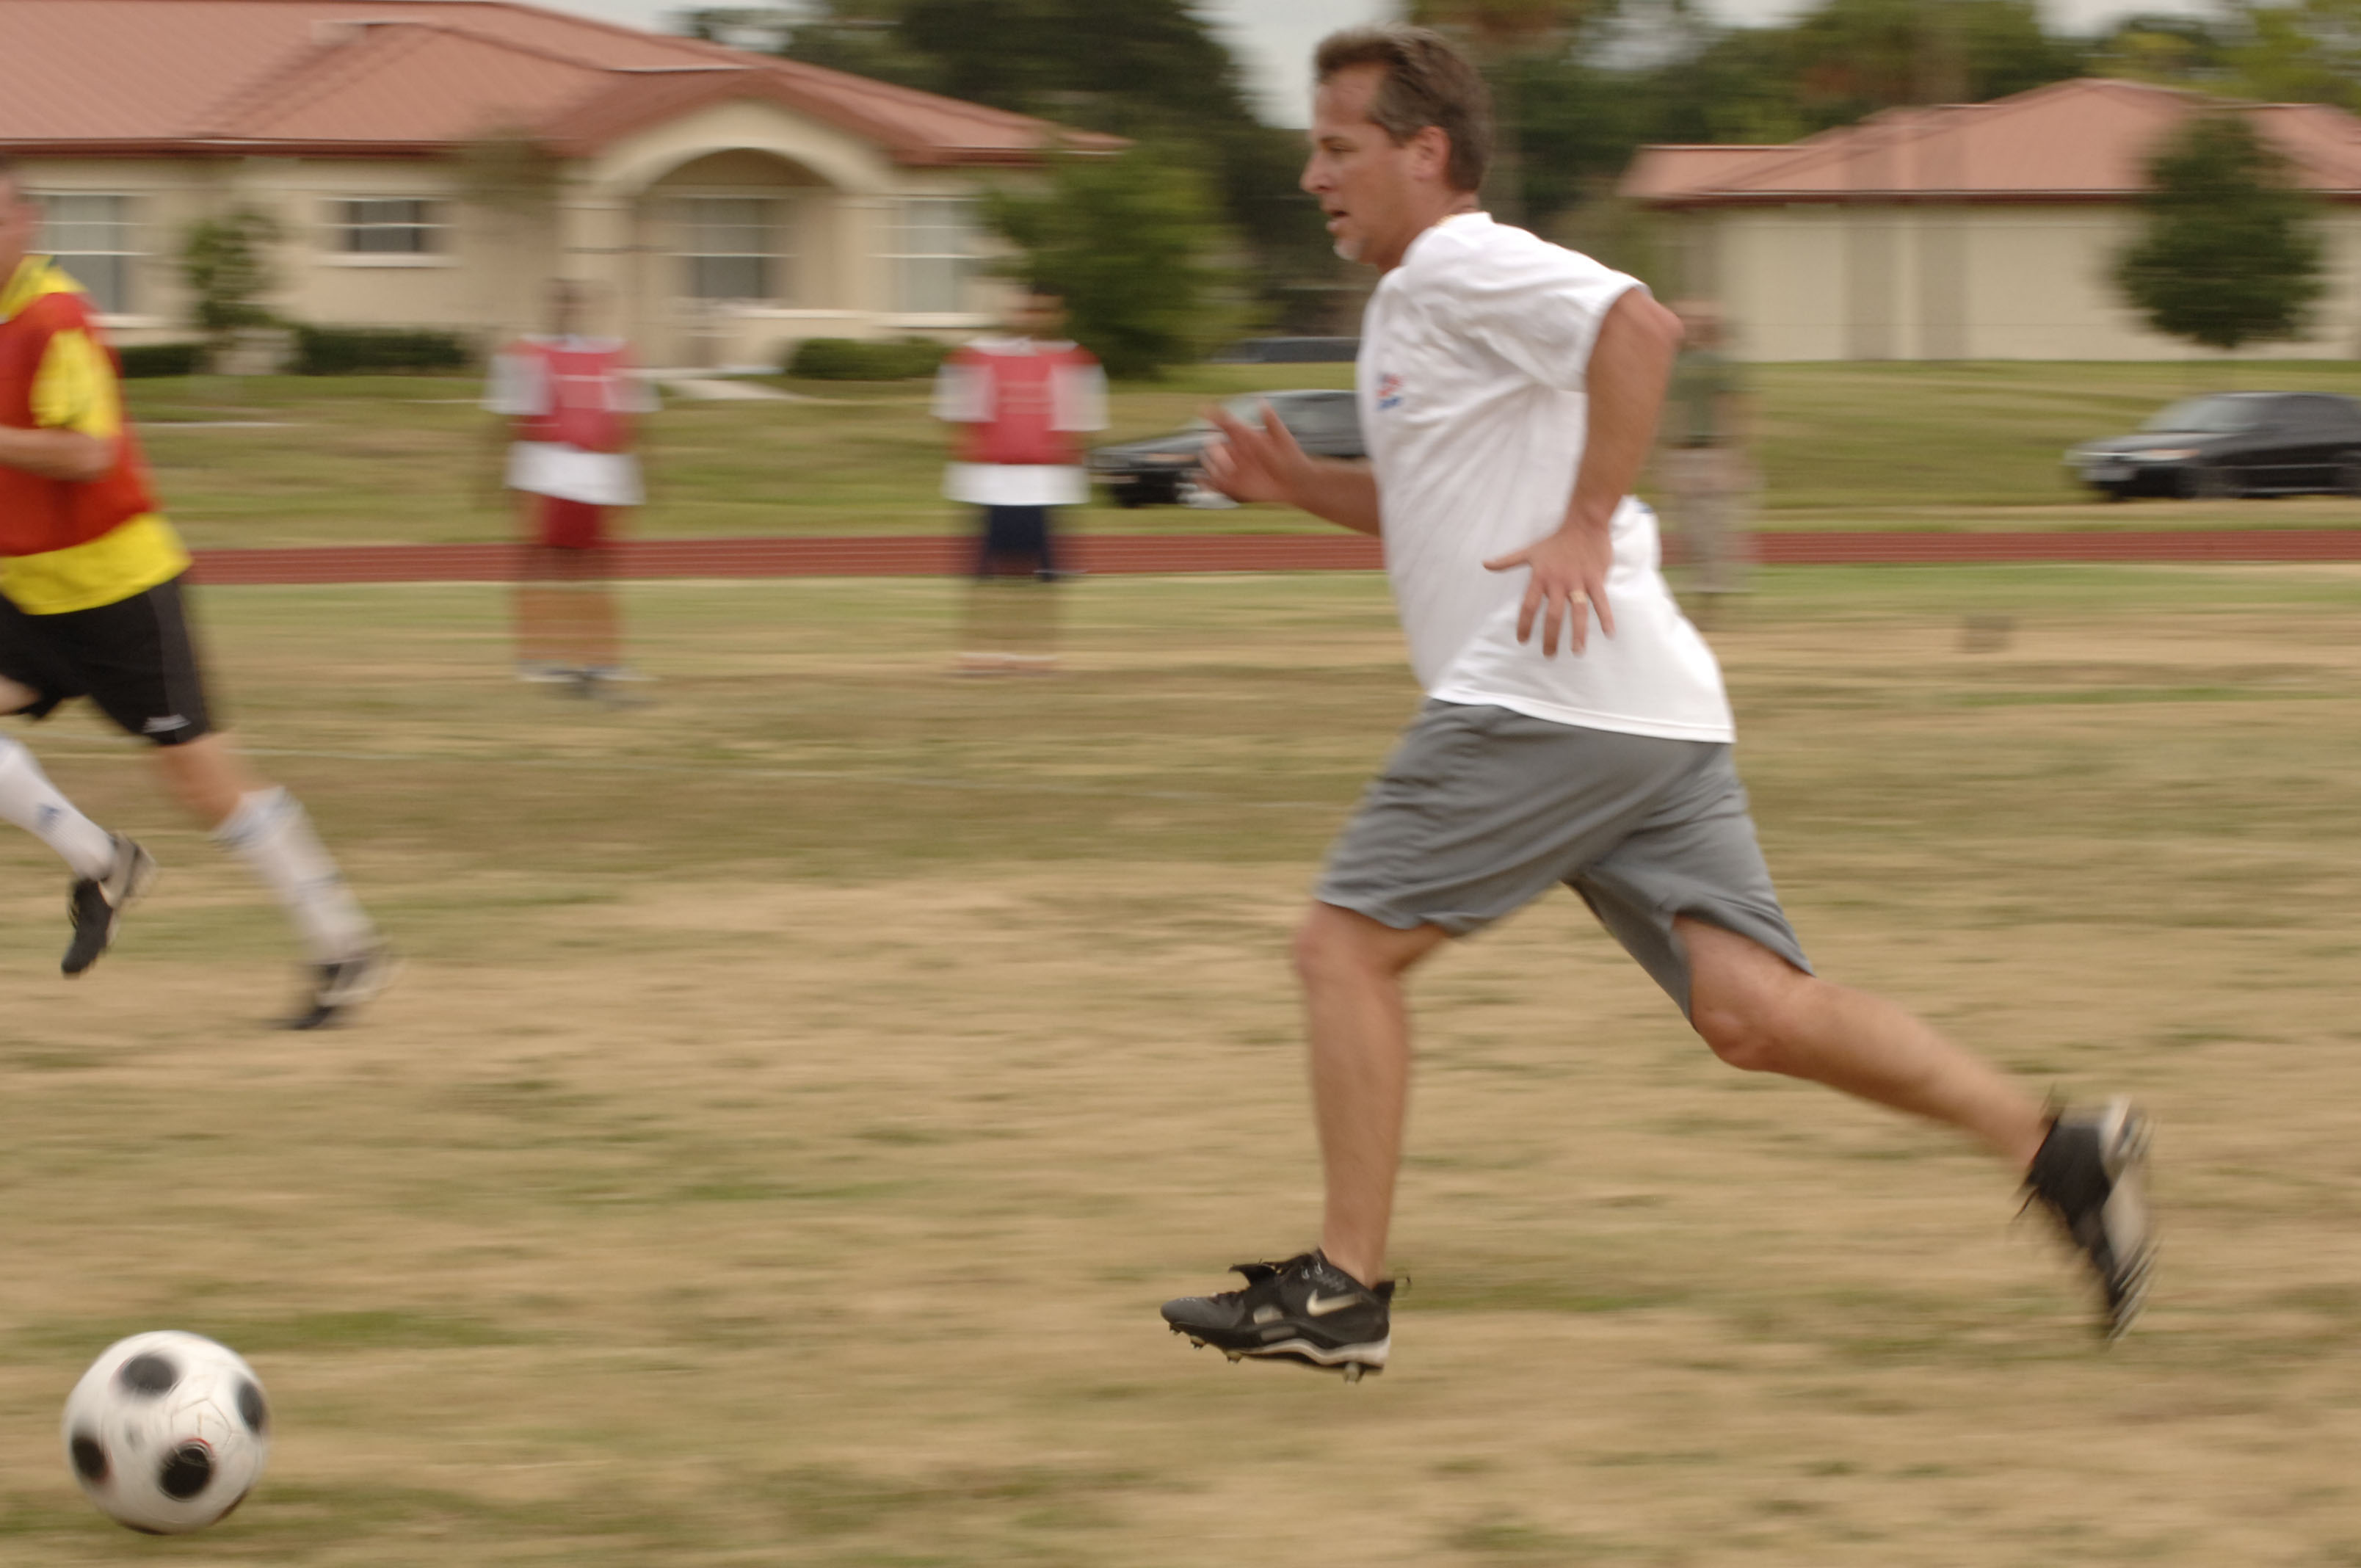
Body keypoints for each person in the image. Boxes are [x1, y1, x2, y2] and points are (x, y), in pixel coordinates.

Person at [1157, 25, 2153, 1381]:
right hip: (1640, 699)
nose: (1311, 174)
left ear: (1424, 152)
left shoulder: (1458, 256)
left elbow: (1640, 322)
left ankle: (1342, 1289)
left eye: (1338, 147)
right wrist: (1299, 491)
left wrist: (1582, 521)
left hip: (1544, 688)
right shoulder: (1412, 303)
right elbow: (1437, 505)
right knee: (1754, 1014)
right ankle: (2059, 1148)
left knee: (1341, 951)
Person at [0, 157, 393, 1027]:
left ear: (25, 223)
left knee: (206, 785)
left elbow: (88, 452)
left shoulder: (53, 319)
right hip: (24, 593)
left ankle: (345, 947)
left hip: (116, 591)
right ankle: (104, 859)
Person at [485, 280, 656, 701]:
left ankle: (600, 658)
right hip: (544, 466)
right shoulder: (525, 356)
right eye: (562, 301)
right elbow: (505, 423)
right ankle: (536, 656)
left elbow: (633, 422)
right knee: (541, 562)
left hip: (599, 471)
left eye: (576, 301)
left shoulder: (615, 355)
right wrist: (500, 477)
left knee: (596, 568)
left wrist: (637, 478)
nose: (571, 309)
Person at [932, 285, 1106, 674]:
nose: (1032, 318)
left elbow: (1083, 426)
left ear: (1057, 314)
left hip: (1045, 483)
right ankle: (978, 653)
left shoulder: (1077, 363)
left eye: (1043, 311)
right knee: (983, 573)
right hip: (990, 481)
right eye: (1026, 310)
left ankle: (1037, 654)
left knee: (1043, 576)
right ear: (1012, 312)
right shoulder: (975, 358)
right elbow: (956, 419)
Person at [1661, 299, 1753, 619]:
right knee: (1689, 528)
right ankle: (1701, 596)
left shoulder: (1718, 365)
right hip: (1684, 453)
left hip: (1711, 451)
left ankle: (1711, 601)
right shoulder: (1677, 365)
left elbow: (1730, 408)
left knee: (1711, 526)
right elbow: (1670, 414)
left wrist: (1730, 456)